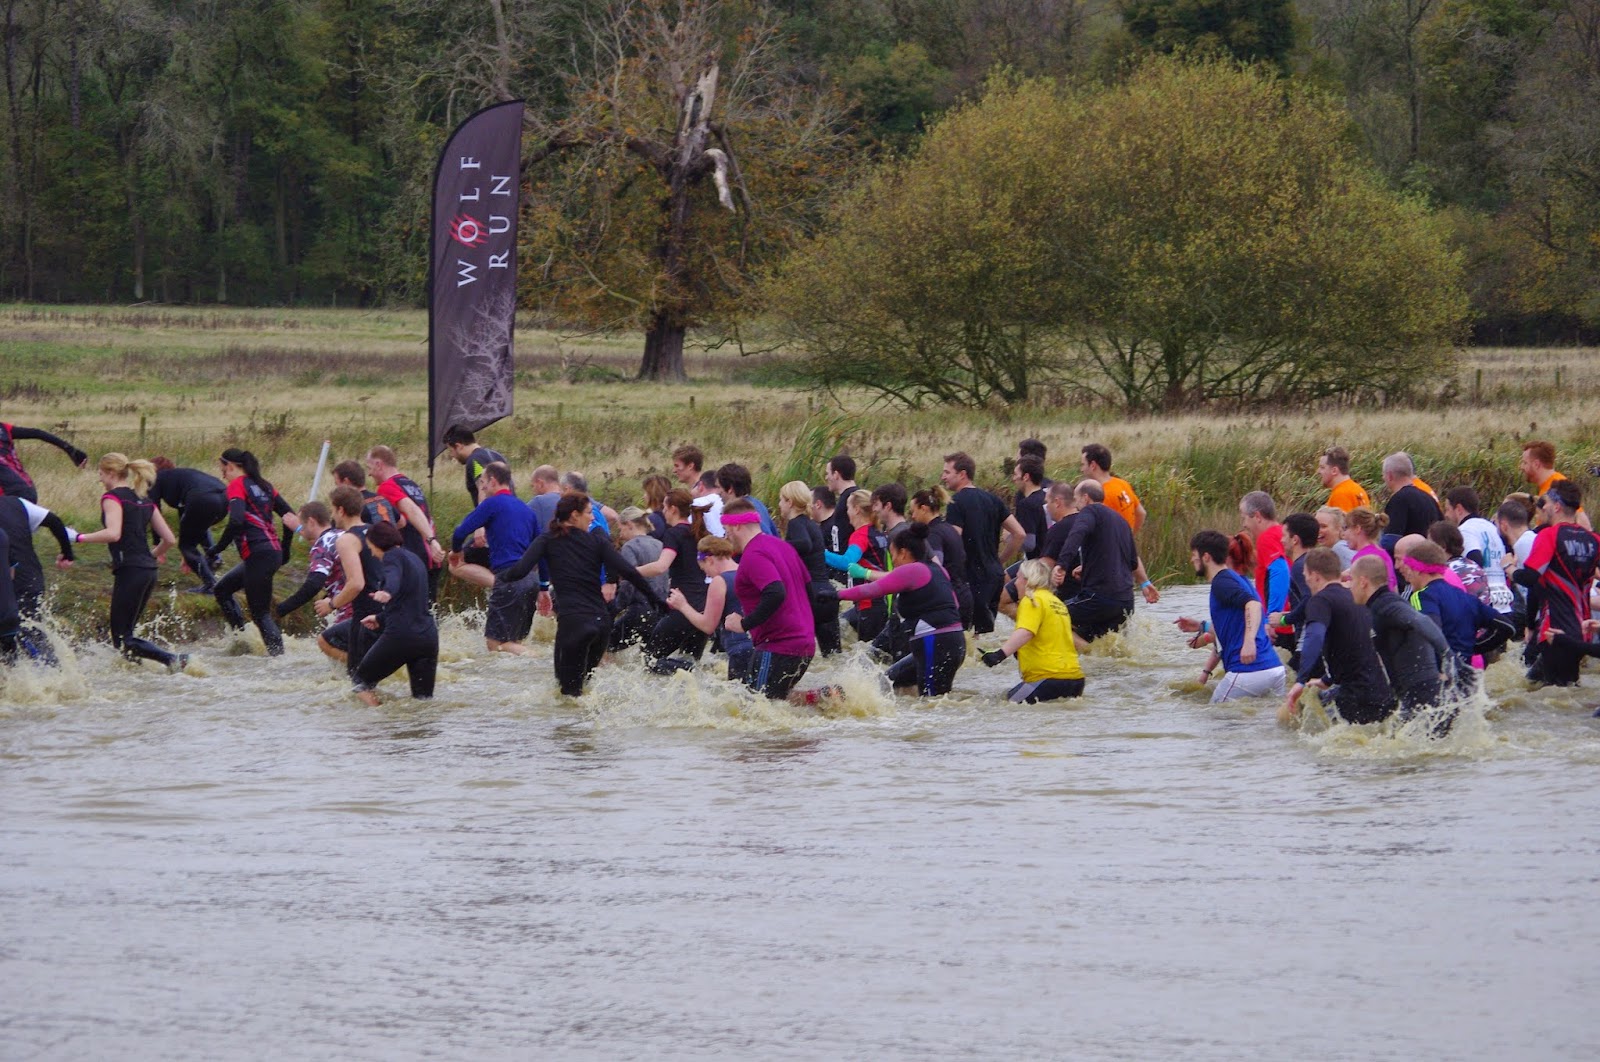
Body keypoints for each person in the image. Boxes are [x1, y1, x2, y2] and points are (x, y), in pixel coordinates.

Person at [499, 492, 667, 696]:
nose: (593, 517)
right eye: (589, 512)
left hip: (574, 624)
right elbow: (629, 572)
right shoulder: (597, 541)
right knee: (585, 689)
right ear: (574, 515)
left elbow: (520, 570)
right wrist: (657, 601)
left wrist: (500, 578)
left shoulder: (547, 540)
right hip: (602, 625)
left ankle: (571, 729)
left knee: (567, 694)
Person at [70, 454, 186, 671]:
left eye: (102, 474)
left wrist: (79, 538)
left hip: (131, 571)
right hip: (148, 571)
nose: (100, 479)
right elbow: (169, 539)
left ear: (112, 474)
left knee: (122, 639)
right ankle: (141, 674)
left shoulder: (112, 498)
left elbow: (113, 534)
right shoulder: (143, 499)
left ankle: (173, 660)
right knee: (127, 637)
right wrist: (151, 556)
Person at [840, 522, 965, 696]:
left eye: (893, 556)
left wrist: (836, 595)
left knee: (932, 704)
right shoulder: (938, 570)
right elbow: (955, 605)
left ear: (904, 553)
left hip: (934, 644)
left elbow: (872, 589)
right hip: (953, 642)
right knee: (887, 682)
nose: (893, 561)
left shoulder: (912, 570)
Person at [1281, 547, 1394, 725]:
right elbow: (1355, 643)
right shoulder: (1353, 596)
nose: (1306, 581)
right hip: (1382, 692)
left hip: (1355, 696)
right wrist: (1327, 679)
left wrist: (1301, 680)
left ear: (1315, 575)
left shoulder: (1320, 600)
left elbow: (1315, 637)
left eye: (1305, 576)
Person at [207, 448, 299, 656]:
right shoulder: (264, 485)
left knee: (261, 614)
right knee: (222, 589)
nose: (222, 474)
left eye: (223, 469)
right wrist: (285, 547)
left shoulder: (237, 485)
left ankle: (279, 662)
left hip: (259, 554)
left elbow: (236, 520)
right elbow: (289, 514)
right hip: (269, 553)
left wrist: (217, 548)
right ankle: (243, 639)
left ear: (230, 466)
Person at [1175, 530, 1286, 703]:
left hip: (1248, 671)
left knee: (1214, 719)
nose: (1192, 559)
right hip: (1274, 670)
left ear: (1206, 557)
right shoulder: (1238, 579)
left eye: (1194, 555)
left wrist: (1249, 643)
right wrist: (1201, 626)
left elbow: (1253, 606)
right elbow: (1236, 624)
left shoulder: (1221, 582)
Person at [721, 499, 816, 700]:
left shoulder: (753, 554)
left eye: (726, 530)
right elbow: (809, 590)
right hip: (804, 644)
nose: (725, 537)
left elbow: (775, 591)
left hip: (777, 646)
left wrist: (744, 624)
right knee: (777, 703)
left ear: (737, 526)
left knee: (754, 708)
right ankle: (828, 697)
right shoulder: (783, 547)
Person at [447, 461, 544, 655]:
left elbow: (459, 532)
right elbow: (542, 550)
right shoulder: (526, 510)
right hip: (531, 581)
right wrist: (543, 588)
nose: (481, 487)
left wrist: (456, 552)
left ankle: (540, 660)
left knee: (495, 645)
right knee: (514, 641)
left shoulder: (492, 504)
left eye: (483, 481)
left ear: (493, 481)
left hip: (508, 579)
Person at [1049, 480, 1160, 648]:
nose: (1075, 504)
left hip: (1099, 598)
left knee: (1050, 616)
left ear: (1085, 498)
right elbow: (1131, 559)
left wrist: (1062, 565)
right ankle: (1098, 662)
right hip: (1125, 601)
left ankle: (1088, 653)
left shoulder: (1088, 512)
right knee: (1100, 645)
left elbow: (1076, 534)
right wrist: (1145, 583)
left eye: (1076, 498)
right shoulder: (1121, 521)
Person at [1515, 479, 1600, 687]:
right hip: (1583, 630)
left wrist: (1510, 569)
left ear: (1557, 506)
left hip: (1555, 630)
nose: (1542, 507)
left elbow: (1531, 578)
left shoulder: (1549, 535)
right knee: (1538, 686)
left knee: (1555, 693)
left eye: (1545, 503)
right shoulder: (1594, 540)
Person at [1350, 554, 1450, 722]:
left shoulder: (1387, 605)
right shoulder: (1381, 605)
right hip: (1419, 696)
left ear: (1363, 582)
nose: (1349, 587)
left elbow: (1421, 620)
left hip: (1422, 698)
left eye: (1351, 580)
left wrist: (1449, 656)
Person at [1398, 539, 1514, 680]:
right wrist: (1475, 647)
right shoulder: (1467, 598)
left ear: (1417, 570)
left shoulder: (1422, 596)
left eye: (1408, 570)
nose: (1407, 577)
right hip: (1467, 676)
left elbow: (1431, 630)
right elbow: (1508, 627)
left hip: (1441, 677)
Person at [351, 520, 438, 705]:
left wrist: (387, 592)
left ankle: (382, 728)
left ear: (377, 543)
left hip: (401, 636)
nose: (372, 553)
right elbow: (411, 602)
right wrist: (380, 618)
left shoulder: (392, 557)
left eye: (371, 548)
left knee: (360, 683)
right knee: (423, 701)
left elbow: (393, 576)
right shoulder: (414, 558)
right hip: (428, 637)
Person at [941, 451, 1024, 634]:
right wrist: (999, 561)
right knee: (983, 636)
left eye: (947, 472)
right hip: (994, 577)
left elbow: (953, 541)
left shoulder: (956, 501)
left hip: (970, 578)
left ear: (962, 474)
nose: (943, 477)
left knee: (965, 636)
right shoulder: (993, 500)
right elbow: (1019, 534)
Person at [982, 558, 1086, 703]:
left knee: (1002, 705)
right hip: (1075, 680)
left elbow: (1026, 631)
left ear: (1027, 580)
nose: (1015, 583)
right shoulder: (1056, 603)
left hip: (1047, 679)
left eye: (1018, 578)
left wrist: (999, 654)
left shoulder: (1031, 599)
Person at [637, 489, 714, 666]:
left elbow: (661, 566)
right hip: (704, 607)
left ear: (672, 509)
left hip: (684, 605)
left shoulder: (673, 534)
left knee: (650, 661)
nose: (662, 511)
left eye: (664, 506)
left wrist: (631, 571)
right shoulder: (699, 532)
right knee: (691, 663)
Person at [665, 535, 752, 680]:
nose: (707, 575)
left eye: (704, 569)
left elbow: (708, 626)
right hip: (759, 647)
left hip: (739, 650)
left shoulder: (720, 581)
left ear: (709, 560)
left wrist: (682, 605)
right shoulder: (747, 571)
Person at [366, 446, 444, 600]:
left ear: (378, 464)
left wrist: (431, 540)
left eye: (369, 467)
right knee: (427, 613)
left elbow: (412, 510)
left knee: (407, 613)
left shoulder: (387, 487)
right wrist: (433, 542)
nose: (369, 473)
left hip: (414, 557)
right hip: (431, 559)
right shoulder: (410, 484)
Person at [322, 486, 383, 669]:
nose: (332, 515)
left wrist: (331, 604)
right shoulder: (377, 531)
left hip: (366, 614)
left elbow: (356, 583)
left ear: (341, 510)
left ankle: (361, 667)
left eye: (332, 510)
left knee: (359, 683)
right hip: (391, 610)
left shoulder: (346, 540)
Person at [148, 456, 227, 593]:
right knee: (197, 526)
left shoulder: (156, 478)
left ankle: (211, 585)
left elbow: (154, 511)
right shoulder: (179, 478)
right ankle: (214, 557)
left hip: (203, 498)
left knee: (186, 546)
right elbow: (185, 515)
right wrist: (189, 555)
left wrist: (157, 543)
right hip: (225, 497)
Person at [779, 480, 839, 655]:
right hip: (828, 595)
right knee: (834, 657)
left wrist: (778, 546)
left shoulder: (796, 523)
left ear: (790, 502)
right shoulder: (812, 524)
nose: (779, 504)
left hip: (811, 597)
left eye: (782, 500)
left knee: (793, 654)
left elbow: (804, 544)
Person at [825, 488, 889, 640]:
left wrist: (820, 553)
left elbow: (847, 562)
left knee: (867, 657)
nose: (846, 512)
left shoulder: (861, 534)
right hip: (881, 601)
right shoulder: (878, 532)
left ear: (857, 509)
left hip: (869, 603)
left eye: (848, 507)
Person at [0, 493, 74, 623]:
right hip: (31, 577)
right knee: (31, 625)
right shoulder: (18, 503)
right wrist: (67, 553)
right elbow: (54, 521)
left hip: (9, 582)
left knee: (18, 632)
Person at [275, 502, 345, 637]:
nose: (301, 529)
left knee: (326, 642)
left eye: (302, 524)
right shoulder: (341, 534)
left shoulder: (322, 546)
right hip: (370, 599)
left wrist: (282, 609)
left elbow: (314, 584)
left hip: (351, 607)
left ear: (312, 522)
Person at [909, 485, 973, 629]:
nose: (912, 516)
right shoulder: (949, 528)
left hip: (950, 601)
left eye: (913, 511)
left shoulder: (933, 534)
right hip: (965, 595)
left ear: (924, 508)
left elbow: (936, 568)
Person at [442, 425, 507, 567]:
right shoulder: (497, 455)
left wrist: (480, 526)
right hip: (510, 520)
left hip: (493, 523)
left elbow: (483, 487)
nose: (452, 456)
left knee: (457, 562)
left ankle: (498, 586)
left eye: (450, 450)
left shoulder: (475, 461)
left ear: (458, 446)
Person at [1444, 486, 1513, 615]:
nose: (1446, 515)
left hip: (1486, 603)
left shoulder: (1466, 530)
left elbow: (1475, 561)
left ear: (1458, 509)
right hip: (1503, 600)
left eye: (1447, 509)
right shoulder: (1490, 527)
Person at [610, 507, 668, 652]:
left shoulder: (630, 547)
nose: (620, 535)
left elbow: (629, 581)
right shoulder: (660, 545)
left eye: (621, 528)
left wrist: (615, 609)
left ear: (629, 524)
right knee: (648, 658)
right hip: (659, 611)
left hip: (638, 609)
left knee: (605, 646)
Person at [1239, 492, 1290, 642]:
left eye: (1244, 518)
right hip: (1288, 620)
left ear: (1257, 516)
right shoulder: (1282, 533)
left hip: (1278, 627)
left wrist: (1271, 618)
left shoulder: (1266, 538)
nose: (1244, 524)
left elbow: (1280, 571)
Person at [0, 421, 87, 502]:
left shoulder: (4, 428)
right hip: (27, 489)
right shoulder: (4, 428)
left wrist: (72, 451)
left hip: (10, 494)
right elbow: (37, 433)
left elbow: (37, 433)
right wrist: (71, 450)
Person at [1521, 440, 1591, 529]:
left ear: (1536, 464)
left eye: (1525, 463)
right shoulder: (1548, 485)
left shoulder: (1558, 487)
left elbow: (1584, 525)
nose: (1521, 467)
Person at [1380, 451, 1442, 549]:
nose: (1383, 478)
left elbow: (1390, 540)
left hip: (1410, 560)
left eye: (1383, 475)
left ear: (1390, 476)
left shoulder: (1399, 500)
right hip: (1432, 557)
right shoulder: (1428, 497)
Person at [1080, 443, 1144, 531]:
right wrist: (1130, 538)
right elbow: (1141, 513)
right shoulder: (1122, 483)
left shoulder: (1100, 495)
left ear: (1093, 465)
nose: (1081, 469)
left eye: (1083, 464)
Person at [1037, 481, 1083, 601]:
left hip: (1067, 596)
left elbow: (1043, 568)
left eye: (1047, 502)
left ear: (1057, 502)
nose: (1046, 507)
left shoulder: (1058, 529)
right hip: (1091, 593)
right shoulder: (1087, 522)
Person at [1343, 506, 1396, 591]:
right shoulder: (1383, 554)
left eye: (1346, 528)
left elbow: (1357, 591)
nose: (1344, 534)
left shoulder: (1362, 558)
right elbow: (1393, 587)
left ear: (1357, 529)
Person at [331, 460, 398, 527]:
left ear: (346, 482)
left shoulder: (351, 506)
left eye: (337, 484)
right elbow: (401, 522)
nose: (336, 488)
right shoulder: (383, 499)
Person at [715, 463, 777, 535]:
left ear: (730, 489)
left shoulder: (746, 509)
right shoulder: (757, 504)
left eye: (719, 487)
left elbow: (765, 537)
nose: (717, 492)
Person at [1012, 456, 1049, 559]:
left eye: (1015, 474)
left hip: (1036, 564)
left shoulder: (1026, 505)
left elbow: (1029, 544)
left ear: (1026, 477)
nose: (1013, 478)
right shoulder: (1047, 497)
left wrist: (1009, 536)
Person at [1317, 447, 1370, 513]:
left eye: (1322, 467)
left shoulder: (1341, 495)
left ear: (1334, 471)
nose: (1318, 471)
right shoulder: (1358, 490)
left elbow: (1341, 523)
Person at [527, 465, 563, 530]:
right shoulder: (572, 500)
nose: (533, 491)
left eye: (533, 486)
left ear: (540, 483)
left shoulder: (538, 502)